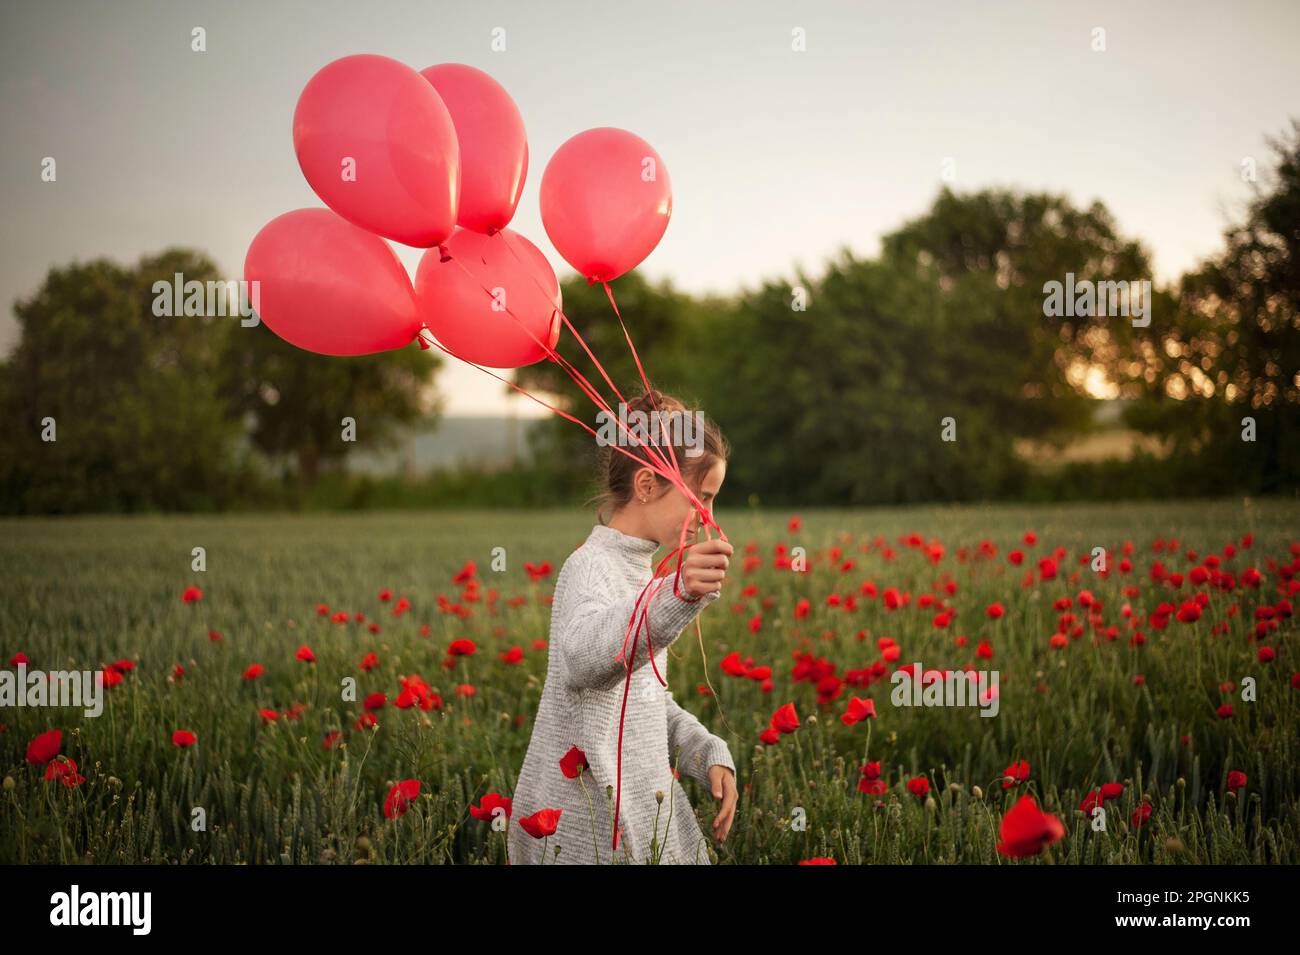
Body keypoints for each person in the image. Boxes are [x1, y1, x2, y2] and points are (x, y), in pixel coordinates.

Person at [508, 390, 737, 864]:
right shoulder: (589, 567)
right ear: (648, 485)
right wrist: (676, 595)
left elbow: (641, 700)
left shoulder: (639, 573)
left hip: (634, 813)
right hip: (582, 828)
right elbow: (585, 659)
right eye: (702, 499)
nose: (707, 518)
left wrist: (703, 748)